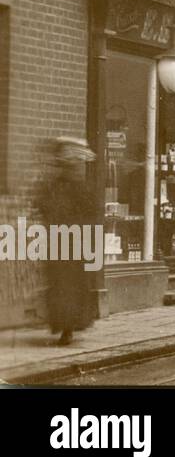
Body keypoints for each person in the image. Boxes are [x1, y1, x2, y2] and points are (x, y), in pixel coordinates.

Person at [38, 138, 98, 345]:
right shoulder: (56, 185)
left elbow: (90, 210)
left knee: (67, 287)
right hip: (59, 242)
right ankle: (64, 326)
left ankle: (67, 328)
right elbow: (43, 205)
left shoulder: (74, 186)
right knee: (61, 286)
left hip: (70, 243)